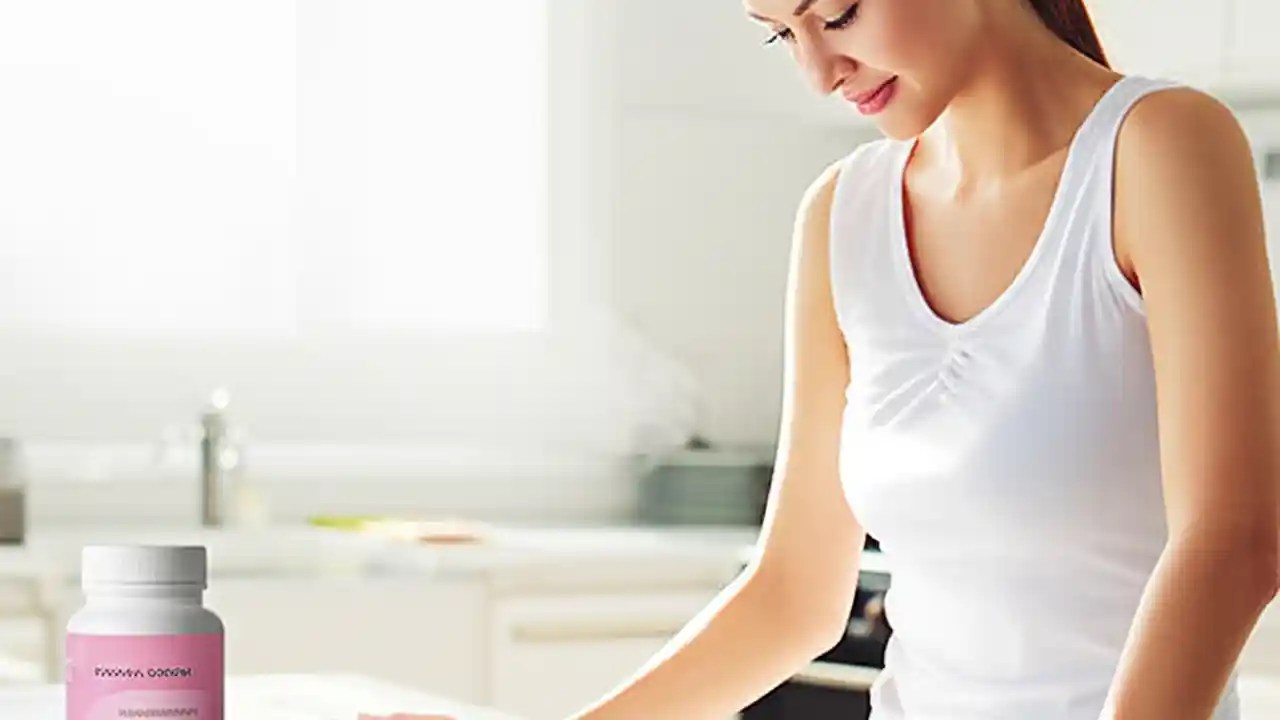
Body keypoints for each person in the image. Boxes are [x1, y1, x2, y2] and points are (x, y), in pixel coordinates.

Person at [365, 0, 1280, 718]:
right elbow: (794, 592)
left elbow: (1238, 536)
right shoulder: (843, 213)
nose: (818, 71)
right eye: (781, 36)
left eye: (836, 14)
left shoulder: (1159, 148)